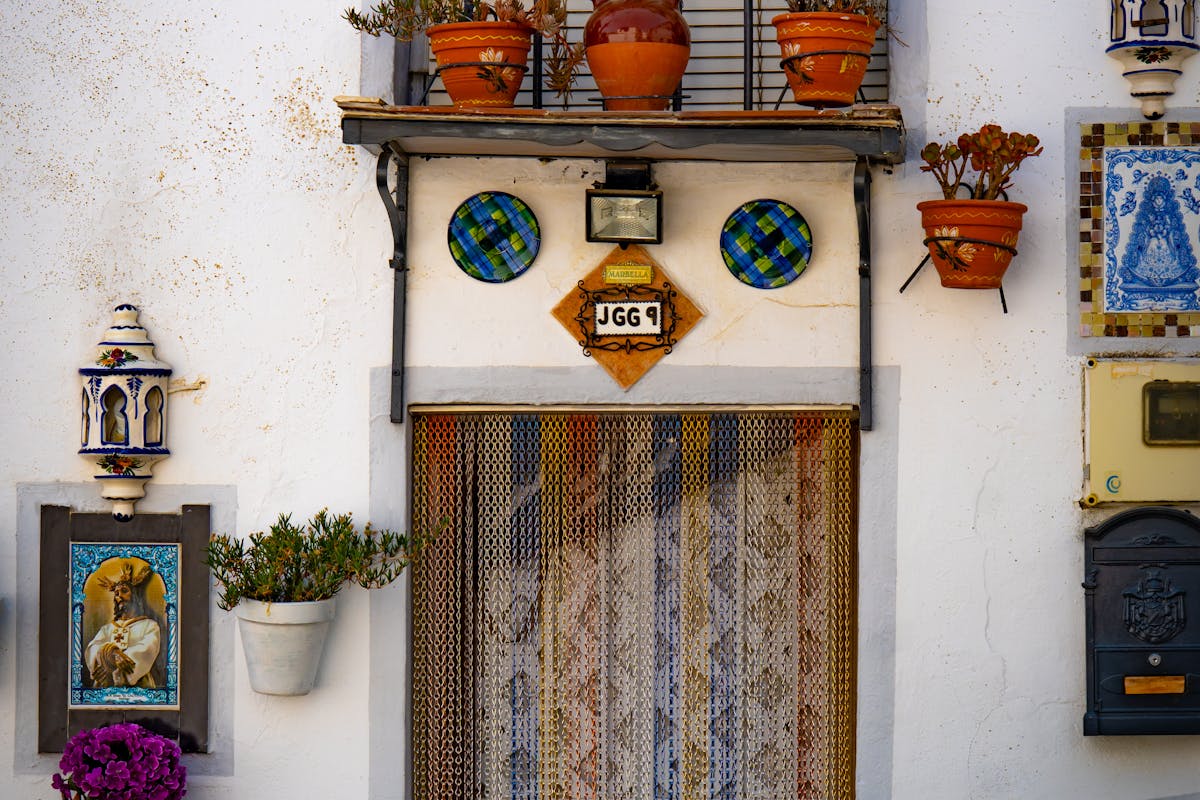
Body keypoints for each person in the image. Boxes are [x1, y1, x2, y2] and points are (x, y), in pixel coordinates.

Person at [84, 561, 164, 689]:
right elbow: (93, 648)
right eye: (116, 593)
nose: (119, 596)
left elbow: (147, 650)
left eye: (124, 591)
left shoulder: (149, 625)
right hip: (106, 685)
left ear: (135, 596)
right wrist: (113, 653)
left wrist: (112, 662)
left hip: (139, 686)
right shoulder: (107, 629)